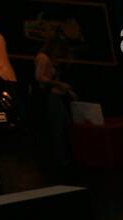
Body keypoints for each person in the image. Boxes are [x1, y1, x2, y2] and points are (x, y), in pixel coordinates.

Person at [33, 36, 76, 170]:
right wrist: (59, 84)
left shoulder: (49, 60)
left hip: (55, 96)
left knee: (63, 126)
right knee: (57, 128)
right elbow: (39, 77)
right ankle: (60, 159)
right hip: (49, 97)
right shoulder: (43, 58)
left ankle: (64, 156)